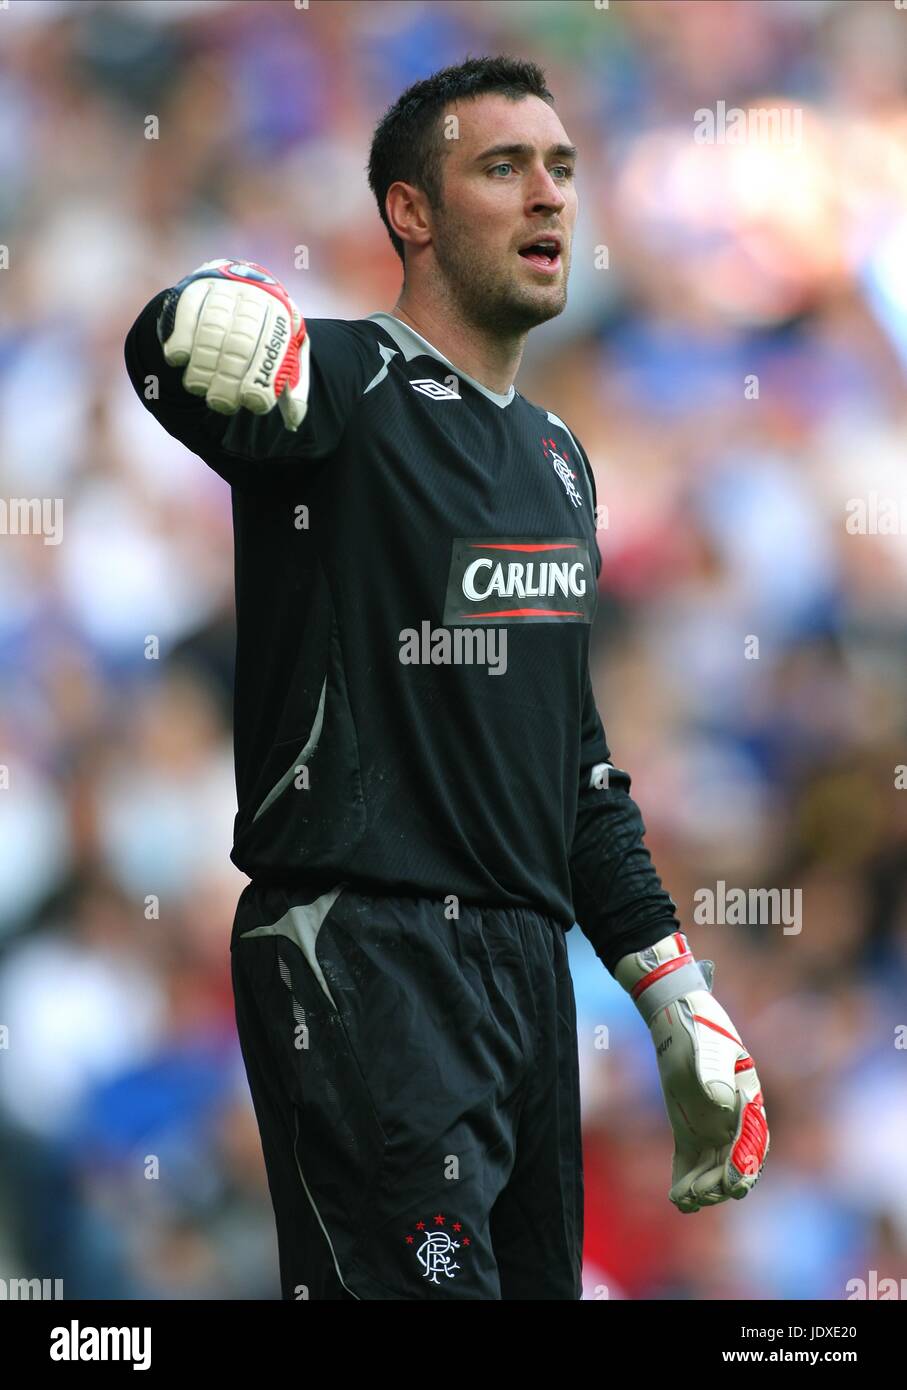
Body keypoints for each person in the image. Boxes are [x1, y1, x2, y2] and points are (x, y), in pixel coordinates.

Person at [124, 55, 768, 1302]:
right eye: (503, 167)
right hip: (364, 946)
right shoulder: (343, 386)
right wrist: (192, 308)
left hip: (526, 972)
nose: (549, 198)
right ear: (409, 212)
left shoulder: (559, 460)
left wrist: (676, 992)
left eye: (563, 170)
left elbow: (575, 764)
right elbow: (177, 360)